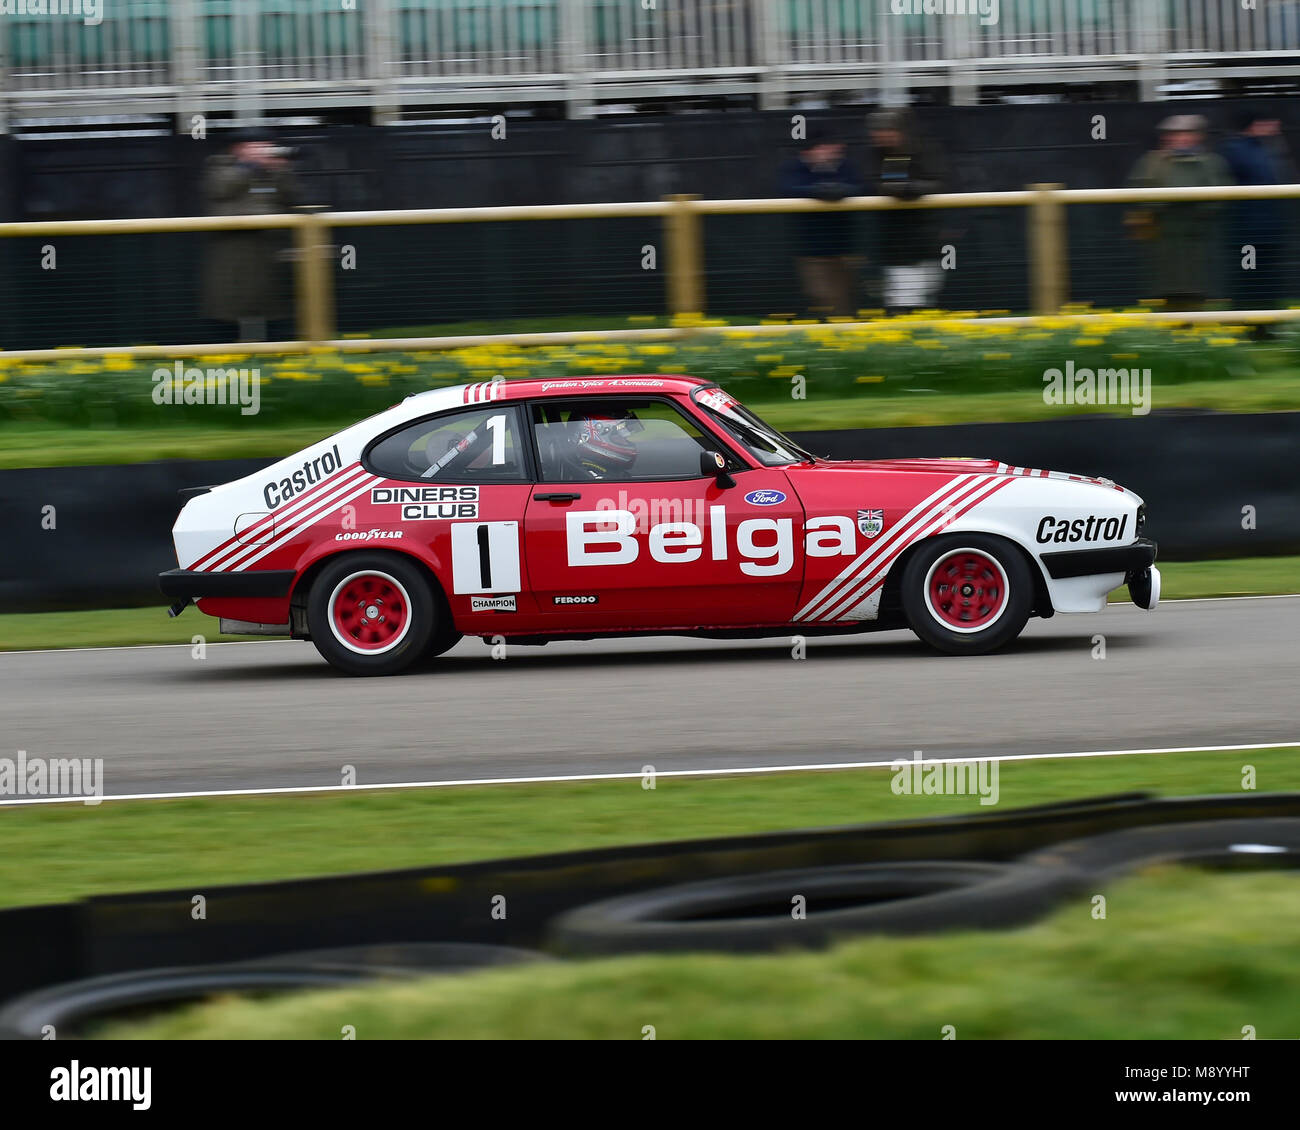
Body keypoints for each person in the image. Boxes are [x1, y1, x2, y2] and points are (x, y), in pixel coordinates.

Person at [200, 128, 300, 342]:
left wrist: (281, 170)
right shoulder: (219, 167)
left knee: (273, 313)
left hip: (269, 254)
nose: (265, 151)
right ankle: (222, 359)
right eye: (257, 146)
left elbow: (293, 199)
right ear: (239, 148)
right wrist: (251, 166)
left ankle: (278, 360)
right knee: (228, 312)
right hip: (233, 256)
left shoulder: (274, 171)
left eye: (267, 146)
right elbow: (220, 189)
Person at [1125, 115, 1231, 311]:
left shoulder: (1211, 163)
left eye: (1187, 133)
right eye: (1175, 134)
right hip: (1164, 239)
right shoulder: (1151, 163)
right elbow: (1139, 194)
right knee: (1168, 288)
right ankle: (1174, 332)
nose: (1181, 138)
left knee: (1196, 286)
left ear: (1198, 136)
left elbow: (1221, 194)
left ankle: (1193, 329)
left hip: (1198, 238)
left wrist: (1197, 205)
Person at [866, 107, 948, 315]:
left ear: (899, 131)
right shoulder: (877, 155)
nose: (882, 136)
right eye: (878, 131)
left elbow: (938, 184)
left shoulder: (924, 150)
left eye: (887, 130)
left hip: (928, 240)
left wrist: (911, 188)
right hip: (898, 245)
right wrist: (901, 188)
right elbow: (879, 185)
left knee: (927, 297)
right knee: (905, 301)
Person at [779, 123, 864, 319]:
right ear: (814, 149)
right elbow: (787, 190)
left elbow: (861, 188)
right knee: (826, 298)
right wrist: (819, 190)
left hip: (845, 250)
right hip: (812, 252)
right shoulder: (794, 168)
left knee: (847, 300)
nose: (835, 152)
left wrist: (838, 190)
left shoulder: (845, 167)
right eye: (829, 147)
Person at [1220, 106, 1294, 316]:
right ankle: (1247, 322)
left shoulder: (1263, 149)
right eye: (1267, 123)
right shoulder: (1237, 149)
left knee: (1266, 277)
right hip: (1249, 234)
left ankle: (1265, 322)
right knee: (1249, 275)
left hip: (1266, 232)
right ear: (1254, 125)